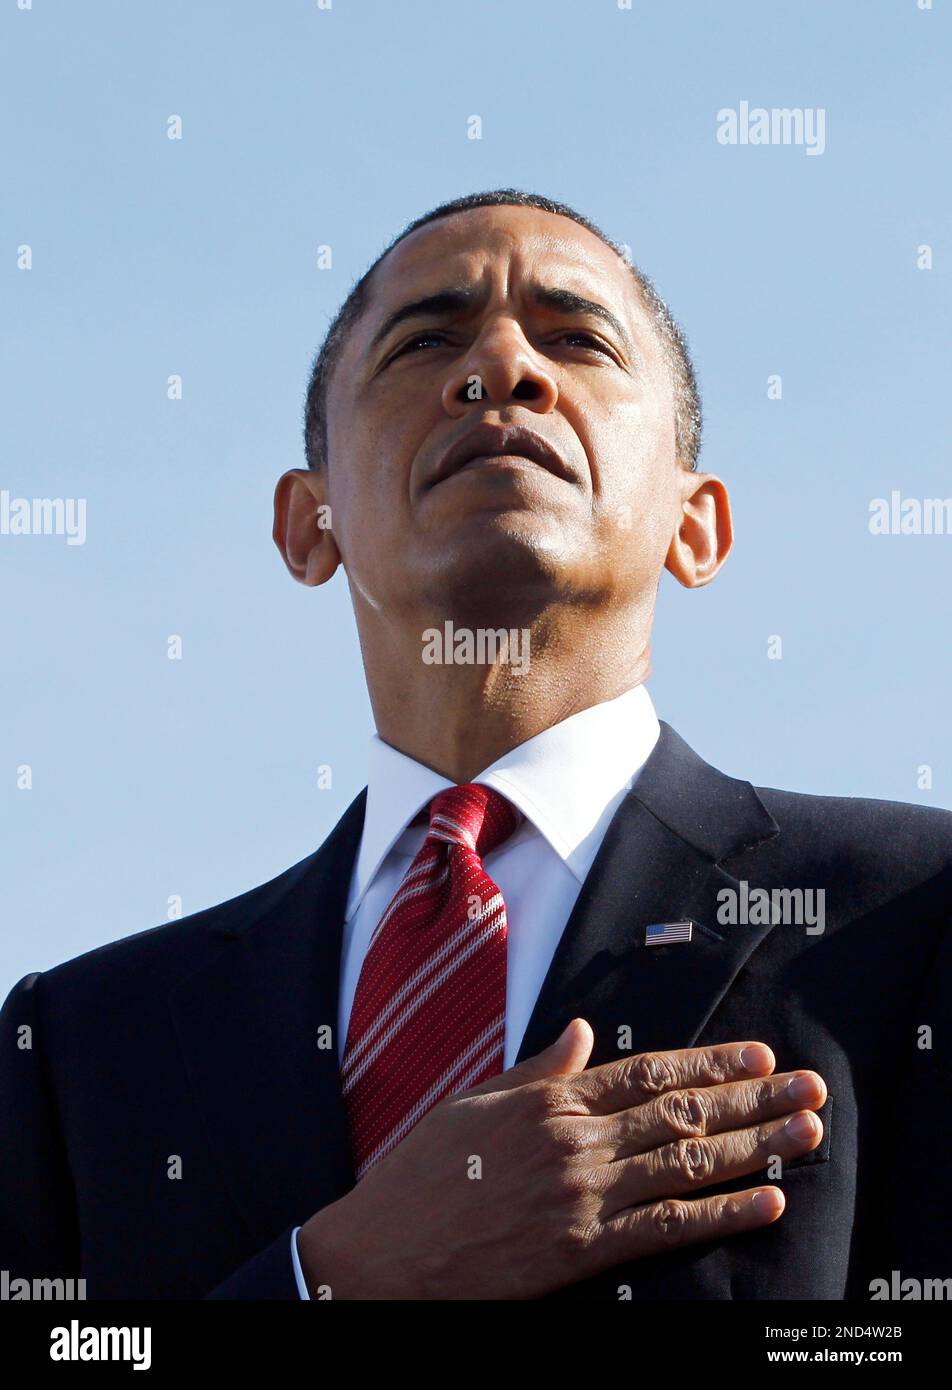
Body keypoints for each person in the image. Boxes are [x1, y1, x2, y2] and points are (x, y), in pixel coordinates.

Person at [1, 190, 949, 1301]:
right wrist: (334, 1278)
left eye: (577, 339)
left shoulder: (910, 919)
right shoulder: (78, 1052)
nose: (501, 369)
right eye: (427, 340)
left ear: (695, 525)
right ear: (309, 525)